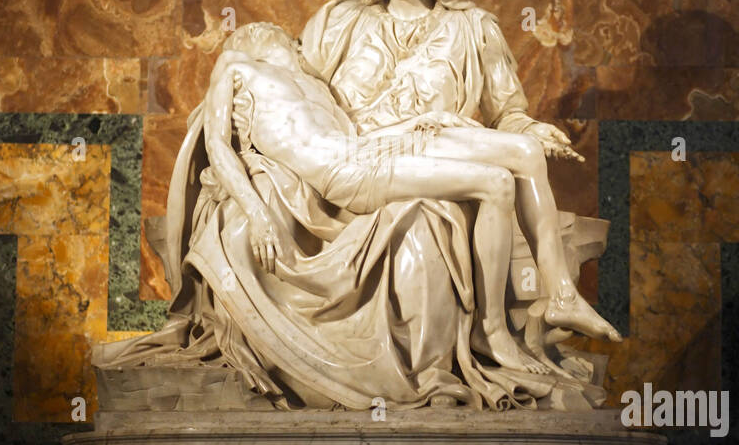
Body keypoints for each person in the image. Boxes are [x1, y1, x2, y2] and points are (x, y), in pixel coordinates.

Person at [301, 0, 619, 344]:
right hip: (361, 155)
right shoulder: (340, 22)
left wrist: (528, 128)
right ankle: (536, 309)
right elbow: (296, 90)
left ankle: (561, 296)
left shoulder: (472, 28)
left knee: (525, 149)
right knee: (503, 166)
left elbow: (505, 111)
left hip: (432, 142)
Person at [205, 20, 555, 379]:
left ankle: (550, 300)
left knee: (517, 158)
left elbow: (356, 138)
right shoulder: (235, 64)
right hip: (346, 175)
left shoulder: (316, 88)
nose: (285, 38)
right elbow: (216, 145)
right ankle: (491, 332)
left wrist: (422, 120)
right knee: (494, 183)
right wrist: (257, 212)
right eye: (265, 29)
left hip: (368, 154)